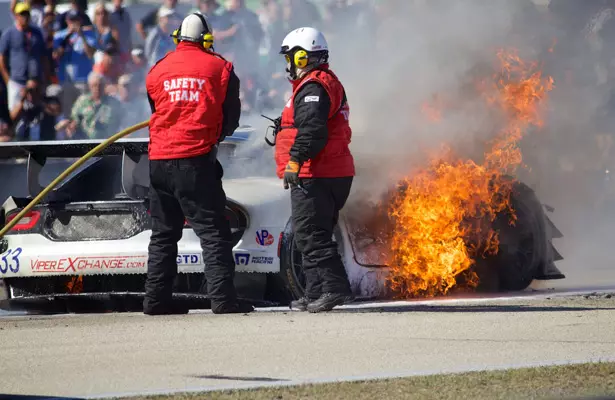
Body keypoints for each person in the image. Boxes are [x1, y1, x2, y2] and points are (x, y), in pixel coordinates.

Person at [144, 13, 251, 315]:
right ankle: (223, 300)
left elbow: (155, 108)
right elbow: (231, 118)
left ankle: (155, 301)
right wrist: (216, 132)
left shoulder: (157, 70)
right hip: (194, 161)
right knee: (214, 232)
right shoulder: (221, 68)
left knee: (164, 233)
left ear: (178, 37)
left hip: (159, 162)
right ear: (207, 40)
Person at [274, 27, 355, 313]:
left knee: (311, 234)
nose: (288, 65)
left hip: (317, 172)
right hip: (327, 171)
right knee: (308, 232)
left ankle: (334, 288)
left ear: (301, 57)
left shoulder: (313, 87)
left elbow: (312, 131)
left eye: (290, 58)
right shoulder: (316, 85)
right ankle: (314, 292)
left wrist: (294, 160)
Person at [0, 2, 48, 110]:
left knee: (35, 111)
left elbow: (44, 57)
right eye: (22, 14)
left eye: (26, 14)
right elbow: (2, 58)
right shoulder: (9, 33)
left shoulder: (37, 33)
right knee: (15, 110)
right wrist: (8, 81)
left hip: (35, 81)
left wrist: (44, 77)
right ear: (16, 16)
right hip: (16, 81)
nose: (24, 17)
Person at [64, 71, 122, 139]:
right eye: (94, 85)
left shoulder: (114, 103)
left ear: (104, 86)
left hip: (108, 142)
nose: (97, 88)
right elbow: (74, 120)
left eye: (100, 85)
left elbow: (122, 121)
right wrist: (71, 126)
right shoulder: (81, 102)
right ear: (89, 86)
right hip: (86, 142)